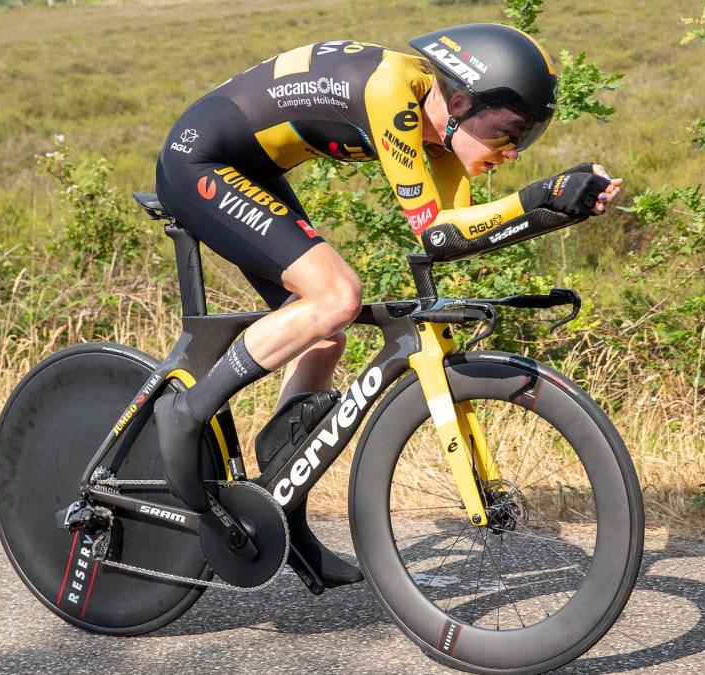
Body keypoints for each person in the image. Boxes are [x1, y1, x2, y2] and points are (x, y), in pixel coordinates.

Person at [153, 24, 623, 588]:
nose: (513, 151)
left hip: (250, 168)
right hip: (198, 162)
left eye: (524, 139)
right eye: (508, 131)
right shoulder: (390, 93)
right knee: (336, 297)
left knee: (324, 333)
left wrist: (560, 205)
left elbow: (455, 238)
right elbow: (439, 233)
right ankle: (186, 412)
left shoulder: (443, 132)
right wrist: (538, 197)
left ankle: (282, 502)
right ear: (462, 101)